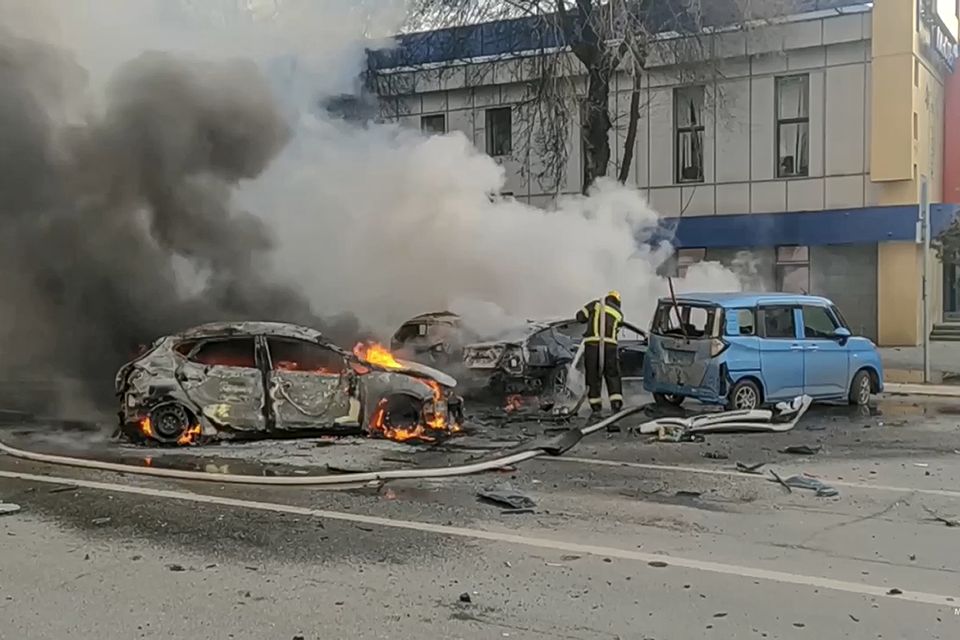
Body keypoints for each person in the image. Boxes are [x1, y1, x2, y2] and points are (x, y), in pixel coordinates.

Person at [575, 291, 624, 421]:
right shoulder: (619, 313)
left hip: (592, 346)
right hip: (610, 347)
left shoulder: (595, 305)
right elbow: (616, 330)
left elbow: (579, 317)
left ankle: (596, 407)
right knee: (612, 374)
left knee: (592, 375)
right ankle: (616, 404)